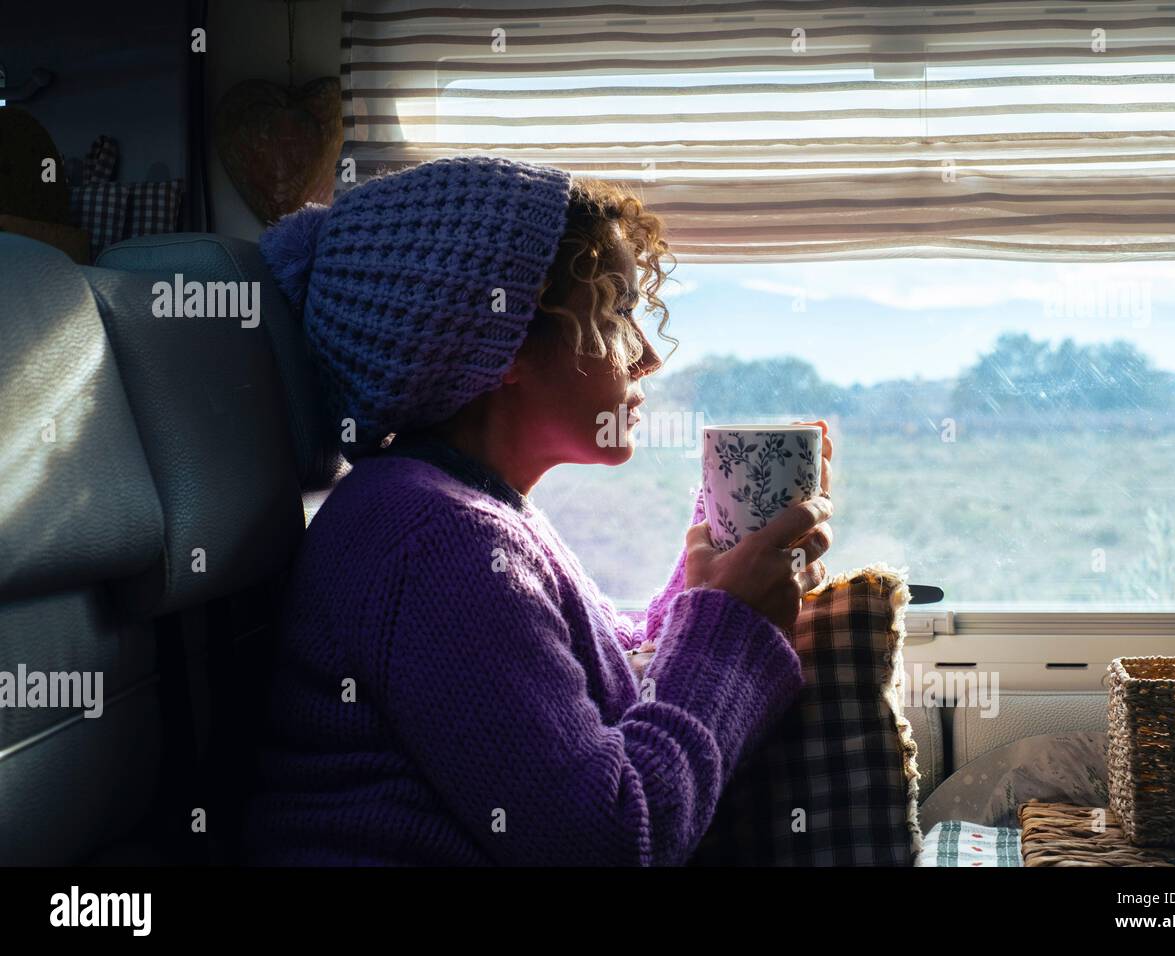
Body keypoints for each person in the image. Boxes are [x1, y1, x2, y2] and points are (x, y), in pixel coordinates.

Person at [241, 155, 834, 866]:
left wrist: (711, 575)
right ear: (507, 341)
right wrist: (729, 629)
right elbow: (607, 841)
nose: (647, 355)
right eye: (616, 310)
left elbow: (589, 685)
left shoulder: (470, 507)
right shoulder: (432, 537)